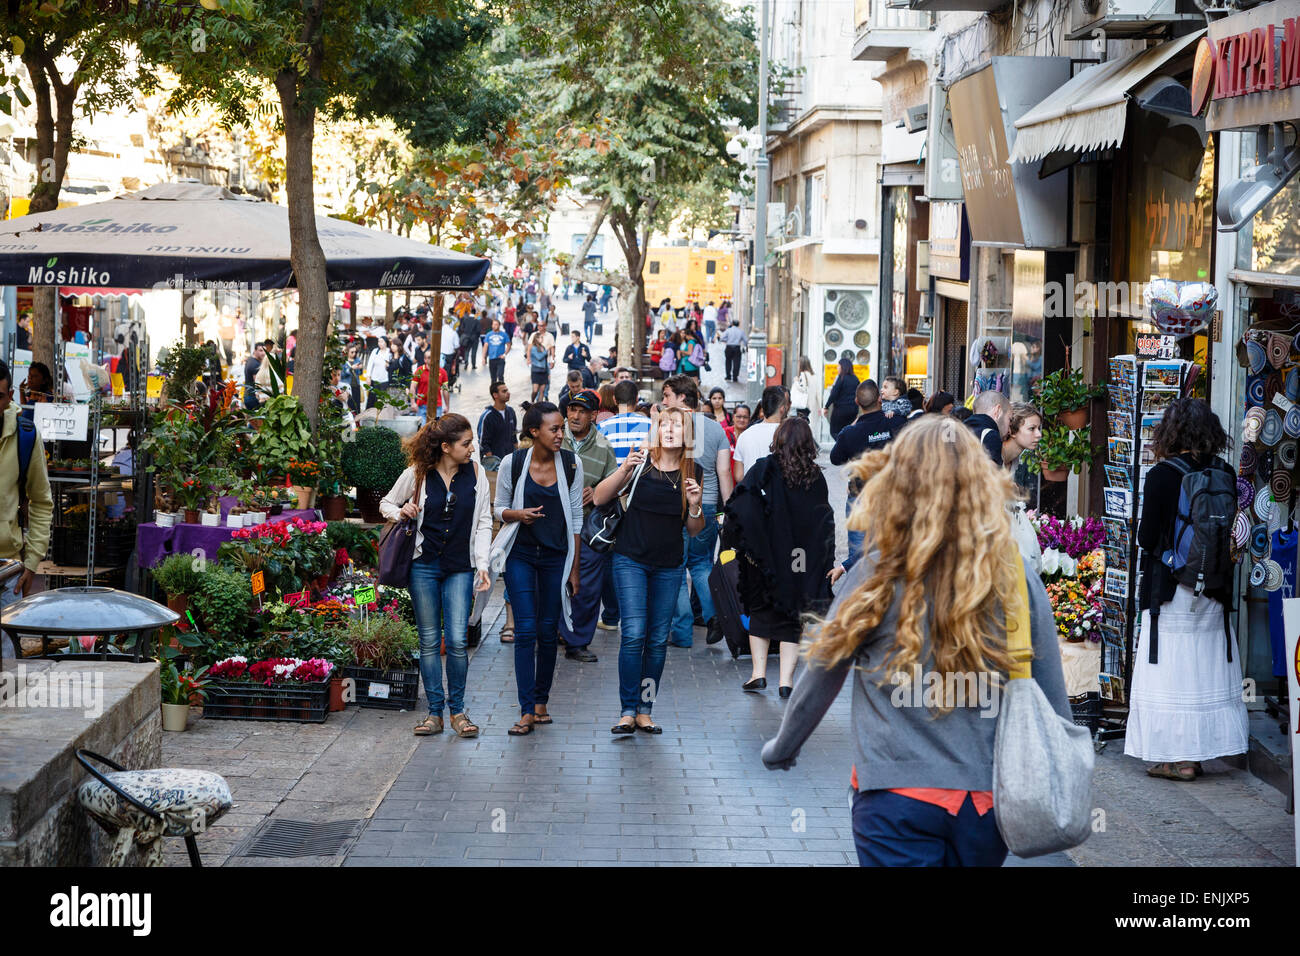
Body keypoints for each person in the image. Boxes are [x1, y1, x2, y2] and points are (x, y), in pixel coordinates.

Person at [761, 414, 1070, 867]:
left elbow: (823, 669)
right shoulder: (1014, 574)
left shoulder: (875, 572)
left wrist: (784, 746)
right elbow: (1050, 689)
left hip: (894, 798)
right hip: (984, 804)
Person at [1127, 398, 1247, 781]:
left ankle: (1174, 758)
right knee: (1202, 668)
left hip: (1170, 588)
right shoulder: (1226, 471)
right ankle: (1196, 756)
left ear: (1170, 432)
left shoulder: (1162, 474)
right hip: (1214, 587)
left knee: (1171, 671)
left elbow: (1147, 538)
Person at [593, 406, 706, 735]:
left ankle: (645, 709)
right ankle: (627, 709)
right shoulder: (640, 462)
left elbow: (695, 529)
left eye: (677, 425)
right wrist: (624, 467)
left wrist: (696, 505)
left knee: (657, 640)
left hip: (669, 565)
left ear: (687, 434)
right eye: (664, 424)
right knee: (634, 634)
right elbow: (600, 497)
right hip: (630, 559)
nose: (670, 430)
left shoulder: (693, 471)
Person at [381, 414, 493, 739]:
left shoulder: (476, 474)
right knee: (429, 640)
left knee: (457, 640)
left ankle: (457, 710)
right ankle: (434, 713)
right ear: (446, 447)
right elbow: (387, 502)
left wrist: (482, 564)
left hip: (460, 566)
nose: (472, 448)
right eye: (466, 443)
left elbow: (484, 521)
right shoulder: (417, 474)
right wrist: (401, 512)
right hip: (423, 565)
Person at [492, 403, 584, 736]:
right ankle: (526, 709)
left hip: (556, 556)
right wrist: (518, 515)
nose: (561, 434)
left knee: (548, 631)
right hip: (521, 554)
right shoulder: (512, 463)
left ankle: (542, 701)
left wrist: (574, 571)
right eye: (554, 429)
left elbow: (576, 518)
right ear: (534, 432)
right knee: (526, 630)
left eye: (562, 428)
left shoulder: (572, 464)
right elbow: (499, 509)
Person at [725, 417, 835, 695]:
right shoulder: (815, 476)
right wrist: (824, 561)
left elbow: (741, 502)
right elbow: (824, 521)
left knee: (761, 611)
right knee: (792, 617)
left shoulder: (764, 468)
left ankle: (758, 674)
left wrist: (747, 540)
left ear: (780, 440)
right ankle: (786, 681)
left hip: (766, 557)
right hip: (801, 561)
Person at [661, 376, 734, 648]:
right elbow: (724, 472)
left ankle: (681, 633)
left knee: (677, 569)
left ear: (683, 397)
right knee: (701, 563)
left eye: (668, 395)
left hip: (676, 505)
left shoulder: (669, 426)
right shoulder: (717, 430)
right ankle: (714, 615)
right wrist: (727, 513)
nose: (664, 401)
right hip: (710, 504)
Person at [559, 390, 618, 663]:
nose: (575, 415)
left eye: (582, 411)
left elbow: (615, 486)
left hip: (588, 526)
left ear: (594, 415)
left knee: (587, 585)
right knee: (552, 580)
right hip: (554, 523)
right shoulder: (555, 439)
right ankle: (553, 632)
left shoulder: (604, 447)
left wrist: (596, 491)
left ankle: (578, 641)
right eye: (572, 409)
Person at [830, 380, 902, 570]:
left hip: (859, 497)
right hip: (892, 494)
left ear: (856, 402)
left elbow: (835, 458)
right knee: (892, 551)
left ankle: (860, 592)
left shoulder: (850, 433)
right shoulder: (897, 422)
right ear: (880, 399)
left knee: (858, 557)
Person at [0, 360, 51, 614]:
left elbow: (41, 501)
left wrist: (31, 564)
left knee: (8, 653)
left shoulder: (26, 436)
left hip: (9, 570)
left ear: (9, 397)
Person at [733, 385, 788, 482]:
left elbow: (738, 476)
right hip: (779, 493)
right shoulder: (788, 433)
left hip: (751, 493)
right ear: (782, 408)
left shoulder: (745, 435)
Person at [597, 379, 652, 465]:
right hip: (641, 477)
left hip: (611, 477)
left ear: (614, 400)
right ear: (637, 399)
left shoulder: (602, 426)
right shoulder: (651, 425)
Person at [1002, 402, 1043, 491]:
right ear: (1012, 430)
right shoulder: (992, 456)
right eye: (1032, 428)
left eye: (1038, 428)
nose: (1039, 434)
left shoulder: (1014, 460)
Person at [965, 390, 1011, 465]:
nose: (1010, 428)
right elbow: (991, 474)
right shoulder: (991, 436)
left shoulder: (961, 430)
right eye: (1010, 419)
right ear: (998, 411)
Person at [477, 381, 518, 465]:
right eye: (504, 391)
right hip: (496, 464)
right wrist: (493, 462)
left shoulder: (511, 411)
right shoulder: (487, 416)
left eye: (507, 390)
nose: (508, 393)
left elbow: (514, 435)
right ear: (495, 395)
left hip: (510, 460)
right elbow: (483, 443)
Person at [824, 358, 859, 438]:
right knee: (849, 431)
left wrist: (826, 407)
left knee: (834, 432)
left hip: (840, 411)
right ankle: (847, 448)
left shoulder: (841, 378)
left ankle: (841, 447)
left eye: (838, 366)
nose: (837, 368)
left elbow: (834, 394)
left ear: (843, 367)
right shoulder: (855, 379)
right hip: (853, 411)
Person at [482, 317, 511, 383]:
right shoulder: (489, 334)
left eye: (496, 324)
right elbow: (485, 346)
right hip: (492, 358)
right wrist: (483, 358)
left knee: (500, 376)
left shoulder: (504, 335)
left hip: (500, 359)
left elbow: (509, 345)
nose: (494, 326)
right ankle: (494, 392)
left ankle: (502, 391)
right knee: (493, 378)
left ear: (499, 325)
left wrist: (504, 354)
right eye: (493, 324)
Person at [363, 337, 389, 410]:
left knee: (382, 400)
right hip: (375, 379)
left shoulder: (389, 352)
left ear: (386, 342)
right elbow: (370, 364)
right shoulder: (375, 351)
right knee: (372, 399)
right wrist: (368, 376)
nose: (380, 343)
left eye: (382, 341)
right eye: (379, 342)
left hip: (385, 380)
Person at [528, 330, 551, 403]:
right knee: (535, 390)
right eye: (540, 337)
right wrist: (546, 351)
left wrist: (548, 372)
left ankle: (539, 405)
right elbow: (539, 357)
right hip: (536, 371)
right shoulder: (533, 348)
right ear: (536, 339)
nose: (542, 339)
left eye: (542, 337)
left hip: (544, 371)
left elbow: (545, 361)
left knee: (542, 390)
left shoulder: (543, 347)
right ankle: (532, 401)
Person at [790, 355, 815, 419]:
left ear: (802, 364)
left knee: (800, 422)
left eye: (799, 363)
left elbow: (803, 389)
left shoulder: (803, 374)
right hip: (808, 404)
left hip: (802, 404)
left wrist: (796, 381)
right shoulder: (811, 375)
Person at [243, 343, 266, 411]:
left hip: (248, 395)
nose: (263, 353)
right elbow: (258, 384)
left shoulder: (250, 359)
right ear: (255, 351)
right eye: (260, 350)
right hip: (252, 397)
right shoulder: (255, 365)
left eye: (265, 350)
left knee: (253, 420)